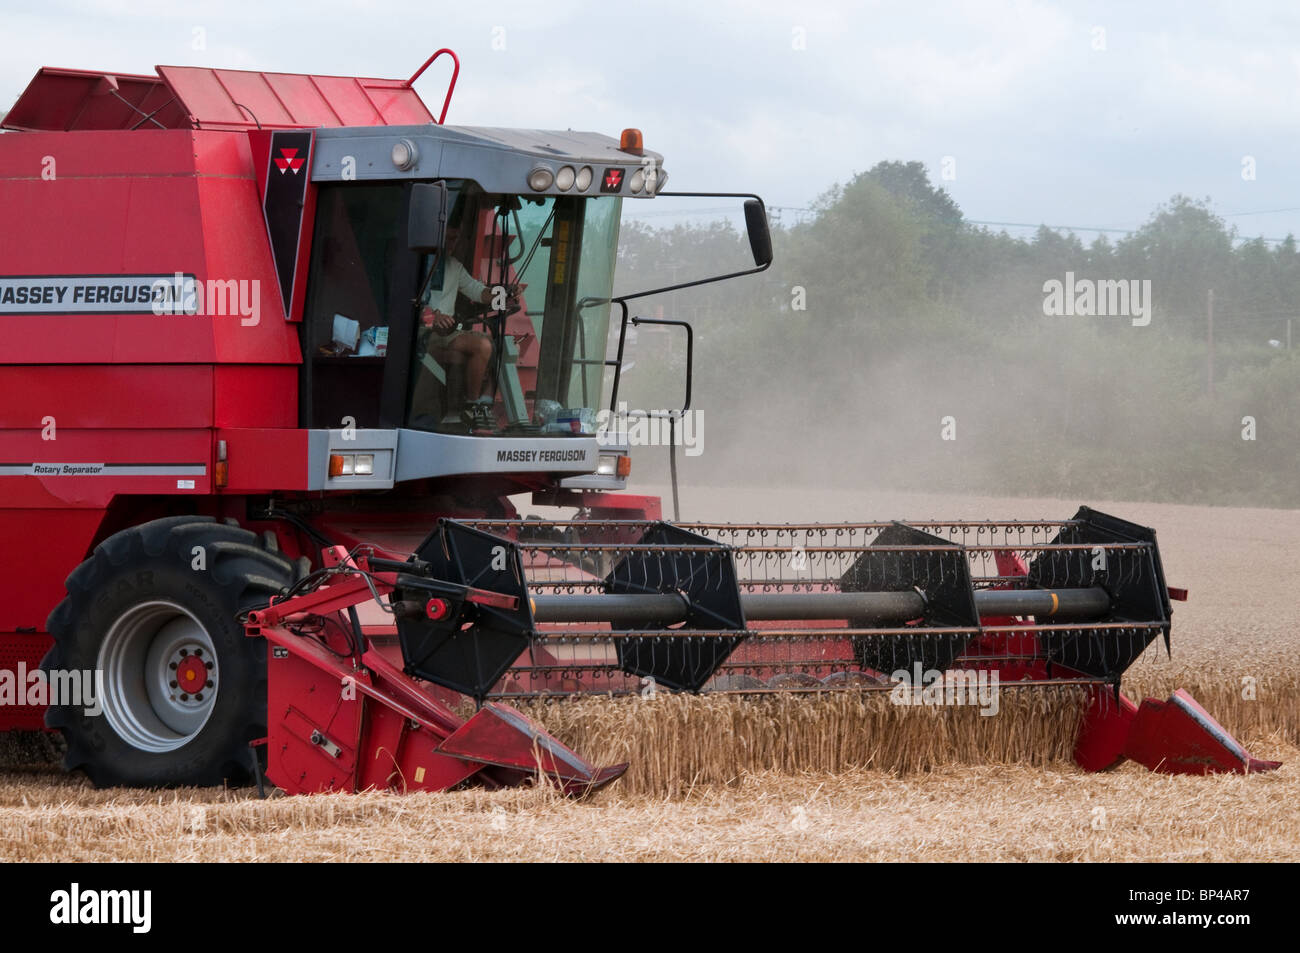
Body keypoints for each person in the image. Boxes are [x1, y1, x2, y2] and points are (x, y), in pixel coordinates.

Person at [415, 220, 523, 429]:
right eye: (447, 237)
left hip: (447, 332)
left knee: (505, 347)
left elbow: (478, 292)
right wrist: (431, 315)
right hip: (420, 331)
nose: (452, 243)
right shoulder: (419, 265)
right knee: (482, 346)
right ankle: (471, 407)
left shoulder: (454, 266)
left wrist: (506, 291)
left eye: (455, 238)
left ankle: (478, 405)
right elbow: (409, 299)